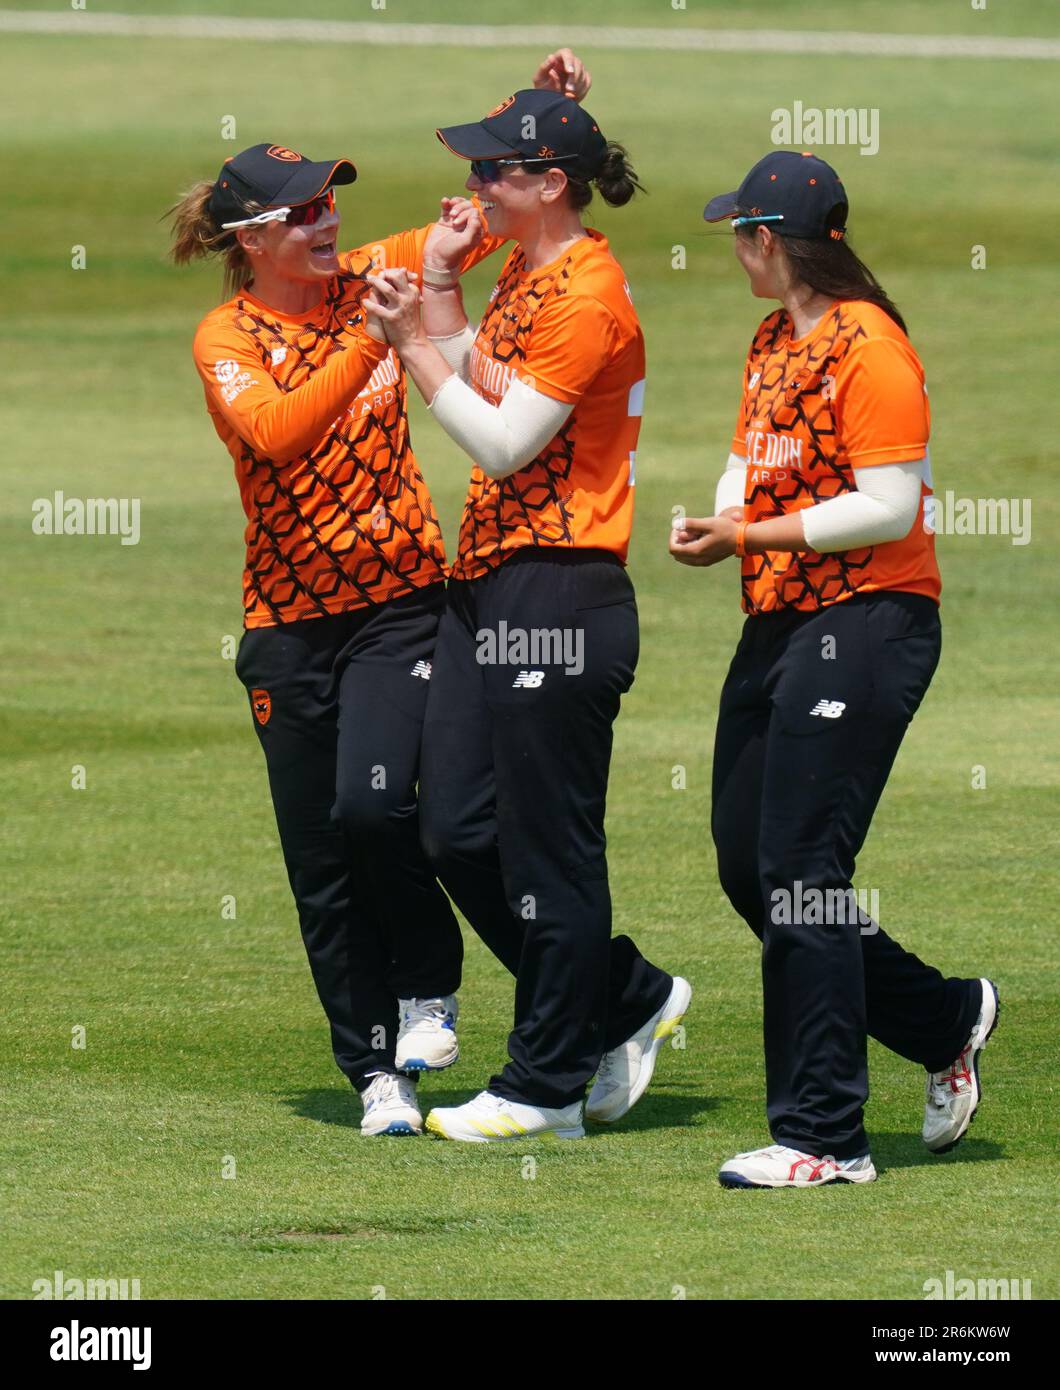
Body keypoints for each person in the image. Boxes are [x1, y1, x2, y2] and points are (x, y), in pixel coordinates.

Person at [166, 49, 592, 1139]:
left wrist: (552, 121)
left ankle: (429, 990)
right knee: (321, 859)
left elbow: (499, 222)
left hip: (401, 601)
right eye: (300, 212)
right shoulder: (230, 337)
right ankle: (375, 1074)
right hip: (284, 624)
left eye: (327, 205)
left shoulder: (374, 273)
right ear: (250, 240)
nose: (324, 222)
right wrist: (377, 333)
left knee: (375, 804)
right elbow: (273, 430)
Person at [364, 90, 691, 1143]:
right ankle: (624, 994)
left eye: (490, 172)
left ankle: (545, 1085)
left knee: (552, 849)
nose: (469, 187)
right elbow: (488, 384)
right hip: (492, 579)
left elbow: (503, 443)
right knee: (453, 826)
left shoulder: (588, 295)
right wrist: (446, 286)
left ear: (549, 184)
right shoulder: (524, 270)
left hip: (561, 587)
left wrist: (409, 339)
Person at [670, 151, 998, 1187]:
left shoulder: (870, 348)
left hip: (869, 618)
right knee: (748, 865)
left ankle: (824, 1137)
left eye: (740, 234)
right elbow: (748, 455)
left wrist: (750, 536)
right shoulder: (773, 340)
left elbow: (888, 507)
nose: (732, 250)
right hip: (779, 618)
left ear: (774, 241)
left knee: (801, 872)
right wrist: (727, 517)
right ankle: (944, 1016)